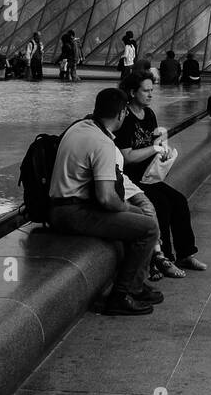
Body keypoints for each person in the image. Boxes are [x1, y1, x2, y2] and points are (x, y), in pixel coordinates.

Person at [48, 87, 163, 316]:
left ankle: (136, 286)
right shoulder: (102, 143)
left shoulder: (79, 127)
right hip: (74, 213)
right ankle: (121, 296)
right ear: (121, 114)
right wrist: (129, 208)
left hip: (58, 207)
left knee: (137, 221)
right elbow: (106, 198)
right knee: (147, 226)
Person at [115, 72, 207, 279]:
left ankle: (186, 253)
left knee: (180, 201)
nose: (150, 95)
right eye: (146, 91)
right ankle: (164, 258)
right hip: (132, 179)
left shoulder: (149, 115)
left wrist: (163, 153)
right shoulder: (124, 119)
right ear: (132, 92)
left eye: (151, 90)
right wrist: (155, 149)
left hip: (150, 175)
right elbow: (126, 156)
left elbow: (154, 144)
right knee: (162, 206)